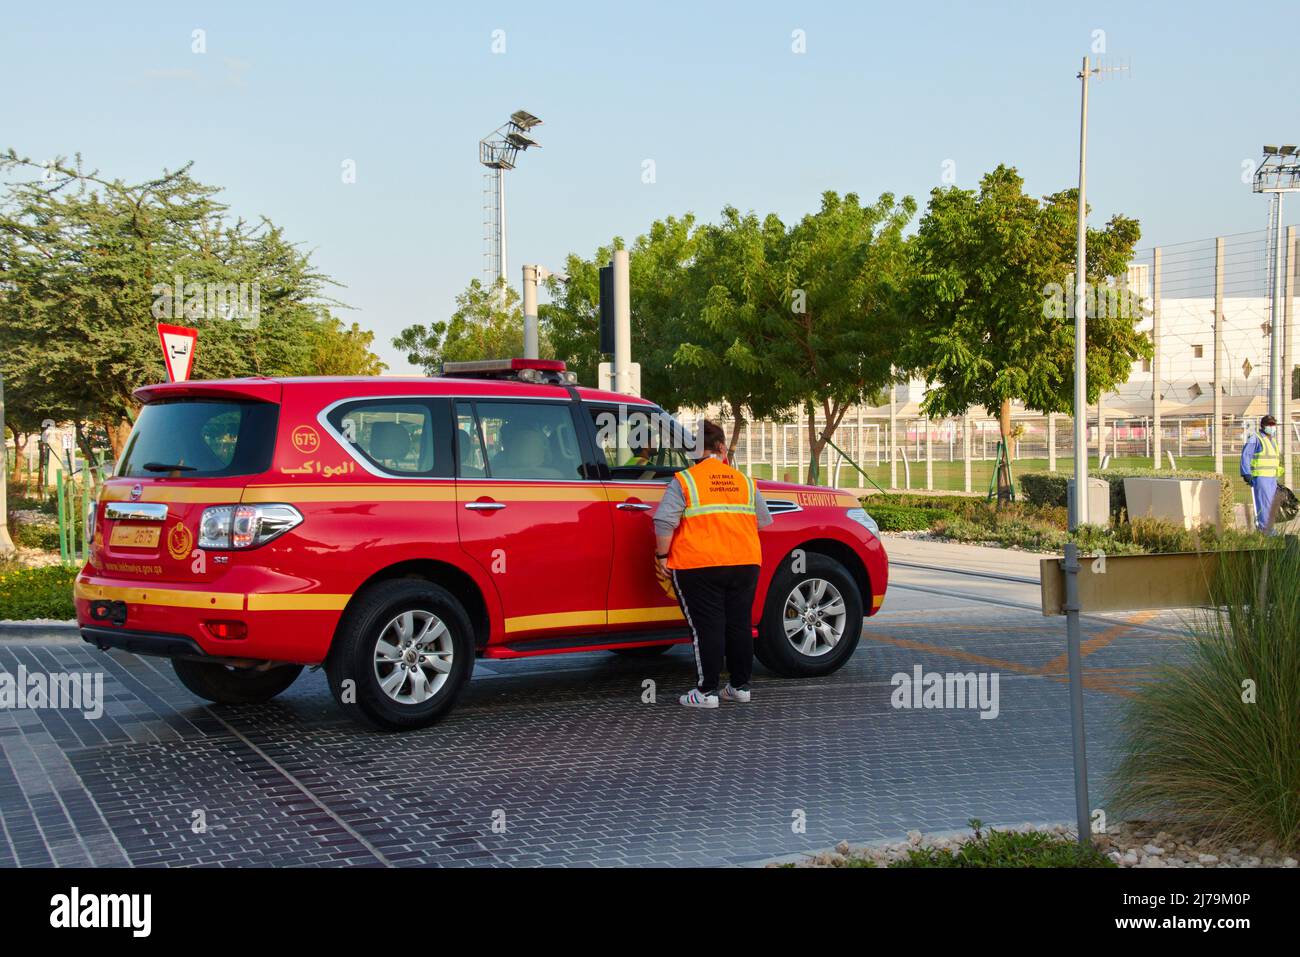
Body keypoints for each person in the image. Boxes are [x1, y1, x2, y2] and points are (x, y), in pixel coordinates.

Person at [653, 420, 772, 709]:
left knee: (707, 628)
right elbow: (763, 521)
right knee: (739, 625)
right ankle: (739, 687)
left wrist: (661, 558)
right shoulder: (745, 481)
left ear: (694, 452)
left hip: (699, 564)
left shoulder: (685, 480)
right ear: (721, 448)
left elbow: (663, 521)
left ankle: (706, 693)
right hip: (745, 563)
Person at [1241, 414, 1284, 533]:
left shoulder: (1273, 440)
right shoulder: (1255, 438)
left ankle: (1269, 529)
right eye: (1269, 424)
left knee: (1271, 505)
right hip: (1261, 477)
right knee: (1265, 505)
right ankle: (1267, 531)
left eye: (1273, 424)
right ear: (1263, 425)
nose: (1272, 427)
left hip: (1272, 478)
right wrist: (1246, 473)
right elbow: (1246, 455)